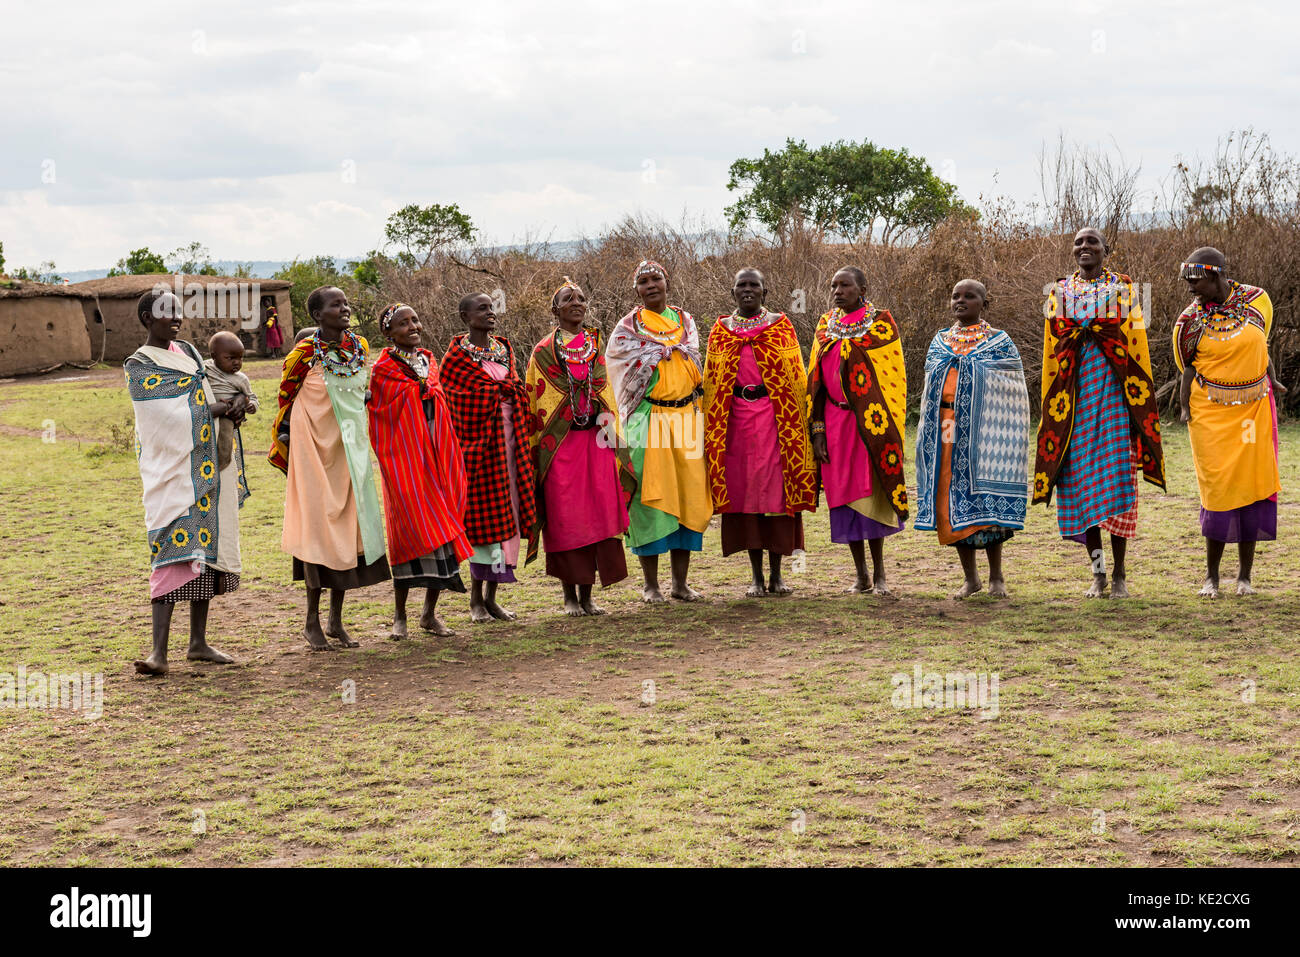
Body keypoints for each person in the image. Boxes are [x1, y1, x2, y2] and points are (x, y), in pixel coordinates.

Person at [1033, 228, 1165, 598]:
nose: (1084, 248)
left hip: (1114, 400)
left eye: (1092, 242)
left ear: (1106, 250)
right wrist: (1051, 403)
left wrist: (1137, 404)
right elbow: (1051, 350)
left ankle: (1120, 574)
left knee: (1119, 484)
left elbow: (1135, 343)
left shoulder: (1124, 288)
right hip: (1073, 402)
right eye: (1078, 243)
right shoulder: (1057, 292)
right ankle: (1098, 573)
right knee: (1080, 487)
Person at [125, 290, 246, 675]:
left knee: (203, 554)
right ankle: (158, 653)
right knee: (170, 553)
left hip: (208, 465)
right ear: (147, 317)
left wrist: (235, 407)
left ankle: (198, 643)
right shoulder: (139, 364)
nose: (175, 318)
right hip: (172, 471)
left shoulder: (191, 354)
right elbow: (164, 416)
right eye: (165, 312)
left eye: (178, 311)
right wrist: (222, 407)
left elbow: (206, 394)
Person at [269, 285, 389, 649]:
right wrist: (285, 442)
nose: (345, 308)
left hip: (349, 451)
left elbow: (359, 391)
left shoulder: (359, 348)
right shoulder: (304, 355)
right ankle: (311, 622)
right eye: (336, 305)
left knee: (349, 531)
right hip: (313, 451)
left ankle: (336, 621)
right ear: (318, 316)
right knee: (319, 530)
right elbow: (285, 400)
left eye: (346, 303)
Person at [1174, 248, 1283, 597]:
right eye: (1187, 281)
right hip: (1210, 416)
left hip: (1253, 413)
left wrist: (1272, 379)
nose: (1190, 288)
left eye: (1196, 281)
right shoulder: (1188, 323)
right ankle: (1211, 577)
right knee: (1217, 492)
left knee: (1251, 490)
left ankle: (1245, 577)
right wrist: (1184, 409)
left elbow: (1260, 348)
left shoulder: (1257, 302)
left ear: (1217, 274)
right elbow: (1186, 370)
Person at [524, 278, 636, 616]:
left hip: (596, 442)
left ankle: (588, 596)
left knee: (597, 513)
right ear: (555, 310)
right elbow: (537, 398)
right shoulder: (543, 351)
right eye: (568, 299)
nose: (577, 303)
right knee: (566, 516)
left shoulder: (593, 344)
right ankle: (569, 597)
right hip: (559, 445)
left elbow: (604, 390)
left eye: (582, 298)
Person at [703, 268, 816, 596]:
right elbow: (712, 383)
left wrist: (801, 425)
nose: (748, 290)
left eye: (755, 285)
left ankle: (778, 575)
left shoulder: (781, 326)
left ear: (765, 292)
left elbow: (797, 379)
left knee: (776, 494)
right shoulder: (720, 331)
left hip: (776, 420)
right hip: (734, 421)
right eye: (742, 286)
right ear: (733, 292)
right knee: (745, 493)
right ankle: (755, 577)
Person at [914, 280, 1030, 599]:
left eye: (969, 296)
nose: (960, 301)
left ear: (984, 303)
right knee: (950, 502)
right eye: (955, 296)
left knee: (985, 503)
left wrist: (970, 370)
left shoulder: (999, 342)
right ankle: (970, 578)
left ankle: (996, 578)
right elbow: (930, 389)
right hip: (947, 432)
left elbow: (1013, 392)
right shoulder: (940, 342)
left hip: (985, 433)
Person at [605, 259, 713, 602]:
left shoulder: (686, 321)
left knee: (687, 497)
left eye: (656, 279)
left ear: (667, 282)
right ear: (637, 290)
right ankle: (651, 585)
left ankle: (680, 584)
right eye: (644, 281)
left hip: (687, 419)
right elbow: (617, 372)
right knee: (648, 498)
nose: (651, 285)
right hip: (647, 418)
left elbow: (695, 362)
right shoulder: (627, 329)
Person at [368, 303, 472, 637]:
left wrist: (426, 392)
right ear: (389, 332)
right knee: (409, 529)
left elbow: (438, 399)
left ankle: (429, 614)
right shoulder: (383, 369)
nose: (413, 326)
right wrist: (416, 393)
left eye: (415, 320)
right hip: (407, 461)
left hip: (439, 457)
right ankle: (399, 616)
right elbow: (381, 413)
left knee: (443, 530)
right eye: (403, 323)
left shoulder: (430, 361)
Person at [806, 266, 908, 595]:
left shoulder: (880, 324)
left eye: (845, 285)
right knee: (844, 498)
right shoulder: (825, 327)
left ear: (862, 287)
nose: (837, 291)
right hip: (834, 424)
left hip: (869, 425)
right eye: (833, 285)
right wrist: (817, 429)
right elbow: (815, 384)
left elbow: (893, 377)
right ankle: (860, 574)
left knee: (870, 495)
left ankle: (879, 574)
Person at [441, 292, 537, 623]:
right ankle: (475, 601)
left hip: (511, 447)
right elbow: (455, 401)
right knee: (484, 523)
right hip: (479, 451)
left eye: (491, 307)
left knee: (507, 519)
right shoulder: (455, 358)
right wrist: (496, 396)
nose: (490, 312)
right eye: (482, 309)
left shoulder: (504, 348)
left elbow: (514, 387)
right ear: (465, 316)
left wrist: (507, 396)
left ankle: (492, 598)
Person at [204, 330, 258, 472]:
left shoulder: (241, 379)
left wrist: (251, 405)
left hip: (227, 415)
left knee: (224, 443)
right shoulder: (205, 368)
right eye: (230, 358)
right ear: (213, 356)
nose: (236, 362)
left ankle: (218, 469)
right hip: (207, 410)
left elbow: (251, 396)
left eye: (240, 358)